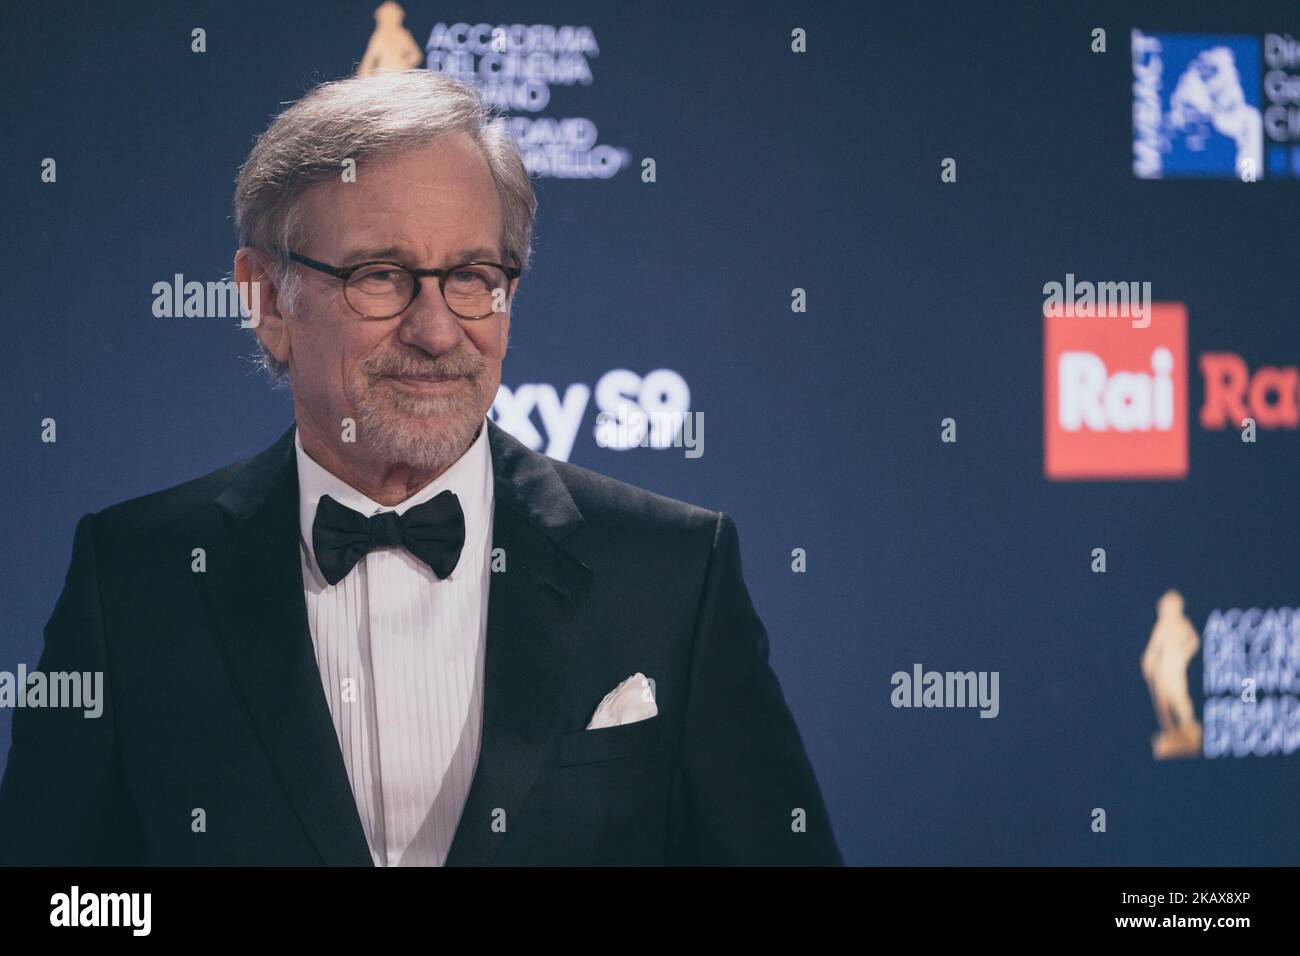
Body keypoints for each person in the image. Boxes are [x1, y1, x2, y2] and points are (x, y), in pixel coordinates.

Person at [0, 69, 841, 866]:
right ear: (265, 302)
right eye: (381, 276)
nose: (438, 332)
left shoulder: (672, 573)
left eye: (474, 278)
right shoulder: (133, 577)